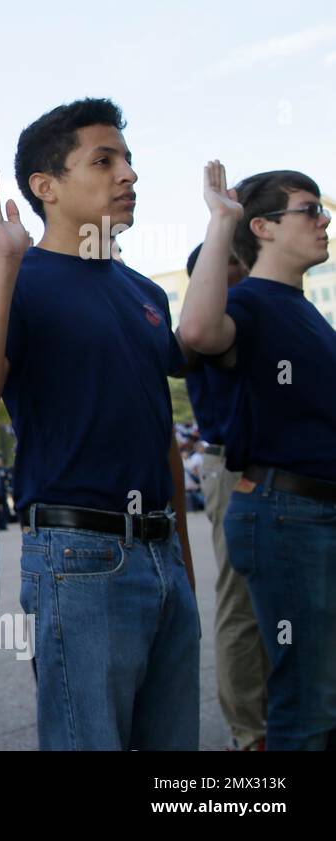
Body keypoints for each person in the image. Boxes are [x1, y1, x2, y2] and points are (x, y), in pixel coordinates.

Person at [0, 98, 198, 750]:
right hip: (80, 560)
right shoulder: (19, 278)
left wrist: (184, 568)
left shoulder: (145, 291)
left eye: (129, 160)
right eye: (104, 160)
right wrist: (1, 263)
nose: (129, 175)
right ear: (46, 186)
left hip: (164, 553)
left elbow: (159, 433)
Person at [179, 162, 336, 751]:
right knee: (306, 704)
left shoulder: (299, 307)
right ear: (264, 227)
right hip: (288, 512)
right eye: (310, 209)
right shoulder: (251, 302)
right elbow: (195, 331)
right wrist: (221, 219)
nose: (323, 222)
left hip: (308, 510)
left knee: (323, 696)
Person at [184, 242, 267, 752]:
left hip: (278, 468)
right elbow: (186, 347)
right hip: (231, 466)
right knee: (241, 600)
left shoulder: (261, 311)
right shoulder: (205, 321)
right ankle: (249, 732)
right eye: (232, 260)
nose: (244, 267)